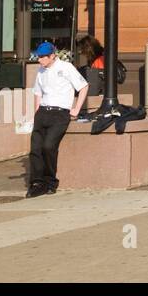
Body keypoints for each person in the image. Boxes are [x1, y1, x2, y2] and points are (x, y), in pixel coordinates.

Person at [26, 41, 88, 198]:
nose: (39, 60)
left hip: (60, 114)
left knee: (48, 147)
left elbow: (83, 86)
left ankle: (50, 182)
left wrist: (76, 109)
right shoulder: (41, 71)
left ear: (52, 56)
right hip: (43, 113)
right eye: (38, 57)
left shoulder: (66, 68)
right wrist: (36, 112)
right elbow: (38, 93)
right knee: (35, 149)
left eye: (43, 57)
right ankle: (37, 183)